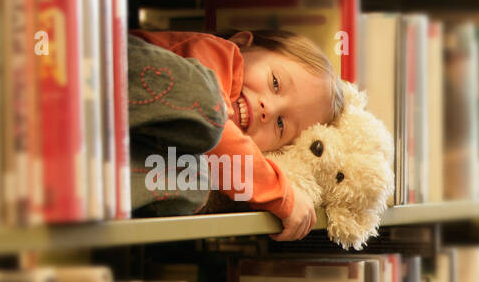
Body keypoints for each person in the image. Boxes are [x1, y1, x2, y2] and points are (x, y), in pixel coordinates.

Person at [129, 28, 344, 240]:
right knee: (209, 103)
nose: (267, 109)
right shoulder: (215, 52)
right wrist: (282, 195)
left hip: (118, 146)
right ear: (240, 43)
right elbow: (223, 140)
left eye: (280, 124)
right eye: (275, 83)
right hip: (112, 67)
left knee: (194, 182)